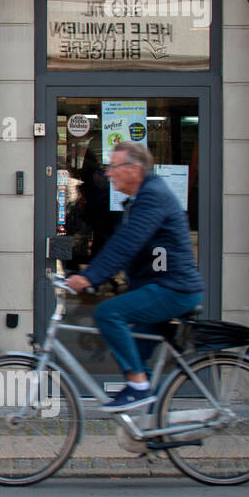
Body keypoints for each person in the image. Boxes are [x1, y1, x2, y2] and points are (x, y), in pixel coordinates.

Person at [65, 141, 203, 412]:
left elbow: (128, 242)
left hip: (172, 289)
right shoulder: (141, 197)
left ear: (133, 169)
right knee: (137, 362)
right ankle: (154, 432)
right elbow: (125, 246)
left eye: (113, 167)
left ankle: (139, 389)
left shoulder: (153, 196)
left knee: (108, 314)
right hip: (160, 287)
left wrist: (90, 277)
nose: (108, 173)